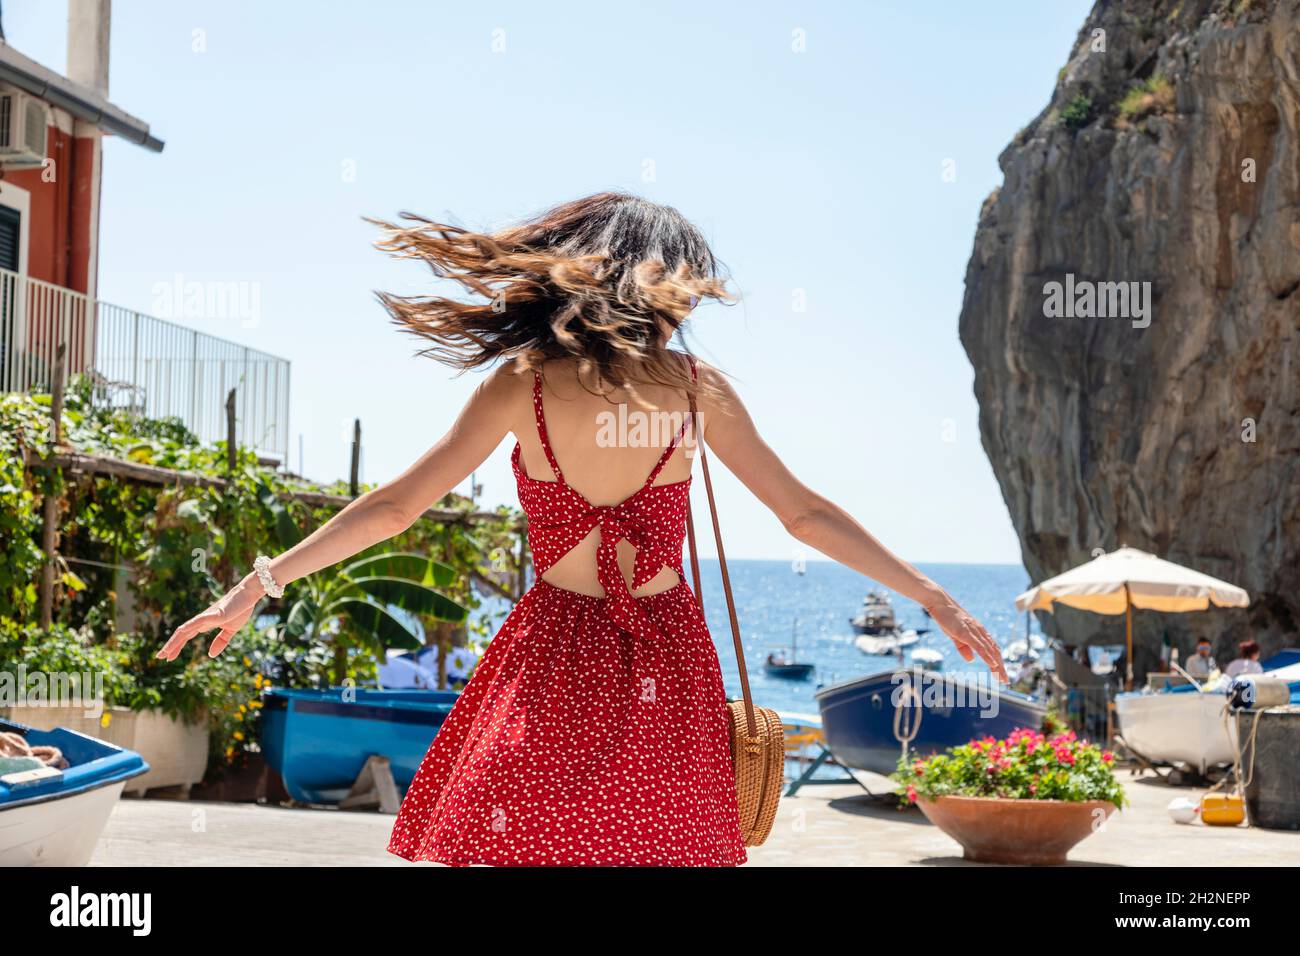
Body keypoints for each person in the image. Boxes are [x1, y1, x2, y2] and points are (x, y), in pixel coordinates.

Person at [155, 193, 1007, 867]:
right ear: (660, 286)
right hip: (664, 660)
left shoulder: (517, 387)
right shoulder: (694, 391)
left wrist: (255, 586)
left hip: (551, 654)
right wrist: (928, 593)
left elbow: (392, 509)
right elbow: (804, 513)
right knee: (661, 851)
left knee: (529, 844)